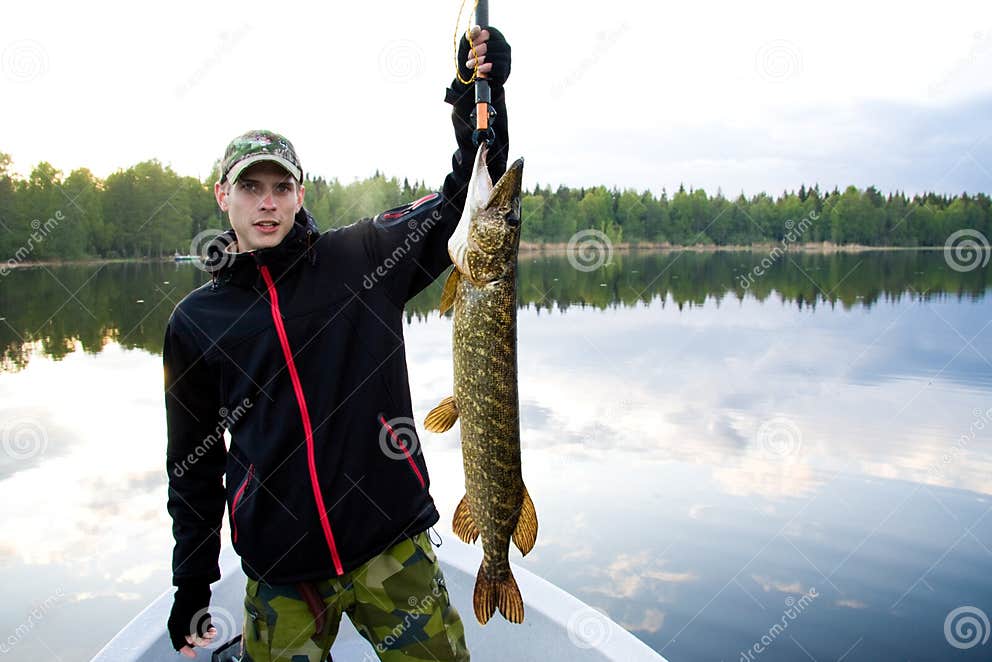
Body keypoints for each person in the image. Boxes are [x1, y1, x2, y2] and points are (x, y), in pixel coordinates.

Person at [163, 25, 510, 661]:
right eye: (250, 187)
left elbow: (472, 201)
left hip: (392, 546)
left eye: (281, 186)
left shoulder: (362, 257)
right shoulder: (197, 321)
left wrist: (476, 99)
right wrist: (192, 581)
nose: (267, 204)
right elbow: (192, 465)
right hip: (283, 572)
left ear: (301, 191)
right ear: (222, 195)